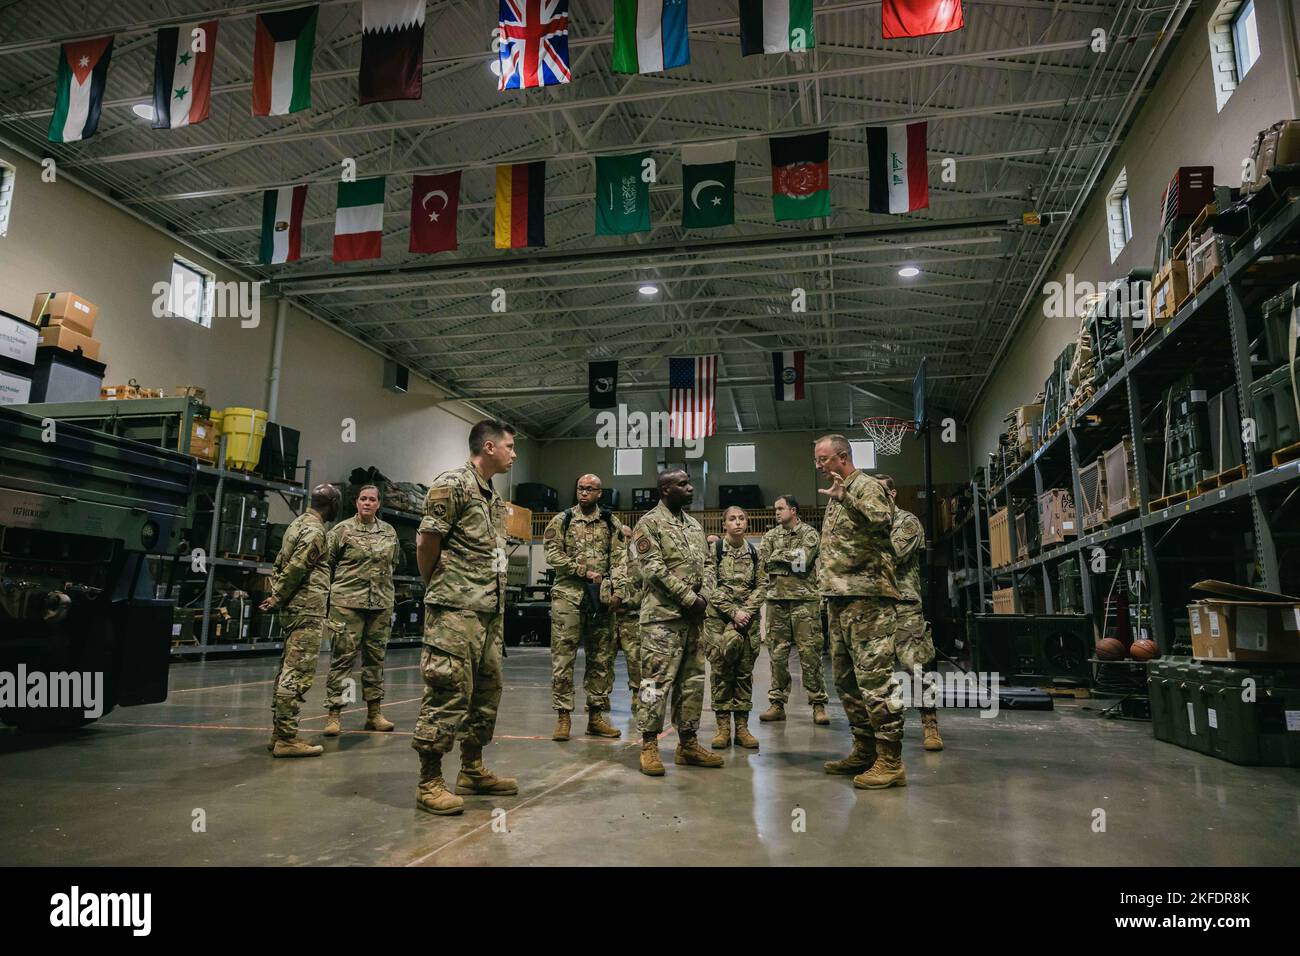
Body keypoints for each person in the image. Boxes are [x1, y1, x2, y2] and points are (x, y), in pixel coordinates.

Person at [411, 420, 519, 816]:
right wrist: (438, 587)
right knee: (448, 690)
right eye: (509, 446)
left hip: (489, 611)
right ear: (488, 447)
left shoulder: (491, 494)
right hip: (455, 609)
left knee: (486, 691)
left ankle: (471, 769)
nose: (514, 453)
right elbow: (427, 541)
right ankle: (429, 781)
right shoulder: (453, 483)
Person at [814, 434, 907, 790]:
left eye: (823, 459)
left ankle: (891, 760)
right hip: (839, 600)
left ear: (842, 457)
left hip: (868, 599)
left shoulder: (865, 487)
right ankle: (865, 749)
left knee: (876, 679)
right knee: (846, 680)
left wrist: (848, 498)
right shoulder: (838, 494)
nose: (819, 466)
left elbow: (883, 520)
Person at [631, 469, 723, 776]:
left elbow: (709, 565)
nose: (690, 487)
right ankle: (648, 745)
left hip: (694, 620)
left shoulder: (694, 525)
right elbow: (652, 569)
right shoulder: (648, 523)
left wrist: (705, 597)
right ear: (665, 490)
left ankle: (688, 744)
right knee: (653, 684)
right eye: (682, 484)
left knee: (692, 683)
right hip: (662, 619)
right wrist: (688, 598)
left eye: (688, 482)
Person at [263, 483, 342, 758]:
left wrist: (277, 595)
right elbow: (298, 567)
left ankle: (279, 732)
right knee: (297, 673)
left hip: (293, 608)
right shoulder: (316, 531)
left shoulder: (295, 524)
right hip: (306, 608)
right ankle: (286, 738)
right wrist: (278, 596)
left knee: (286, 669)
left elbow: (279, 563)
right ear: (332, 505)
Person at [543, 474, 623, 740]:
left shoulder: (611, 522)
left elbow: (621, 560)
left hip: (599, 599)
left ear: (600, 493)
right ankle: (563, 716)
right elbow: (553, 554)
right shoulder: (562, 520)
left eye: (590, 489)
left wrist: (618, 592)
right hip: (567, 596)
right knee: (563, 658)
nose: (584, 492)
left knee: (601, 658)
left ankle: (596, 717)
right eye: (580, 488)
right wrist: (583, 571)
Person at [322, 484, 400, 736]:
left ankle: (374, 713)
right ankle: (335, 713)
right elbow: (327, 563)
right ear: (356, 502)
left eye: (372, 499)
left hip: (380, 604)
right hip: (346, 605)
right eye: (363, 498)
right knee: (343, 659)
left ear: (379, 504)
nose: (367, 503)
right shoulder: (341, 530)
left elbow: (394, 563)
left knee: (375, 660)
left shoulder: (389, 532)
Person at [879, 475, 943, 751]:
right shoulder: (869, 524)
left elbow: (893, 555)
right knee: (877, 674)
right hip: (876, 607)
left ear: (892, 493)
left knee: (917, 668)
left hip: (904, 606)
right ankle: (885, 730)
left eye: (881, 492)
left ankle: (930, 724)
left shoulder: (907, 522)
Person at [757, 494, 829, 726]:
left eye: (780, 508)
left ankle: (818, 704)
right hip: (777, 602)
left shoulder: (809, 534)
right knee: (777, 656)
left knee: (810, 654)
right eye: (775, 509)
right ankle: (777, 703)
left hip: (804, 602)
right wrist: (785, 559)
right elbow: (764, 563)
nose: (776, 512)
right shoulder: (769, 536)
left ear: (794, 510)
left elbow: (804, 560)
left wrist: (778, 557)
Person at [703, 507, 763, 749]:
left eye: (741, 518)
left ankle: (742, 727)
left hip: (748, 620)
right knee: (721, 672)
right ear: (724, 524)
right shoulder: (715, 551)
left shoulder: (755, 553)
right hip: (719, 619)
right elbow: (709, 585)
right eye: (732, 519)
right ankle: (722, 728)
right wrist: (732, 612)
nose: (737, 523)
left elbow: (762, 585)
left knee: (744, 672)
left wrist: (746, 612)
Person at [606, 523, 643, 726]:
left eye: (628, 536)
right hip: (609, 617)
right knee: (603, 659)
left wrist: (626, 602)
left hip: (631, 618)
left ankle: (637, 697)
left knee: (635, 661)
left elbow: (644, 590)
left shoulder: (638, 563)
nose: (625, 539)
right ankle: (600, 696)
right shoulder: (607, 559)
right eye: (621, 536)